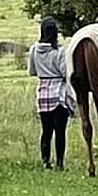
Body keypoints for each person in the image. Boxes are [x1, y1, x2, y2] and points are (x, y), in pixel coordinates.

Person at [28, 17, 73, 169]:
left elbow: (31, 71)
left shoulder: (34, 49)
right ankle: (60, 163)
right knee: (60, 131)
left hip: (43, 91)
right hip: (58, 91)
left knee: (46, 130)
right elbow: (65, 72)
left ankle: (46, 161)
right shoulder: (59, 51)